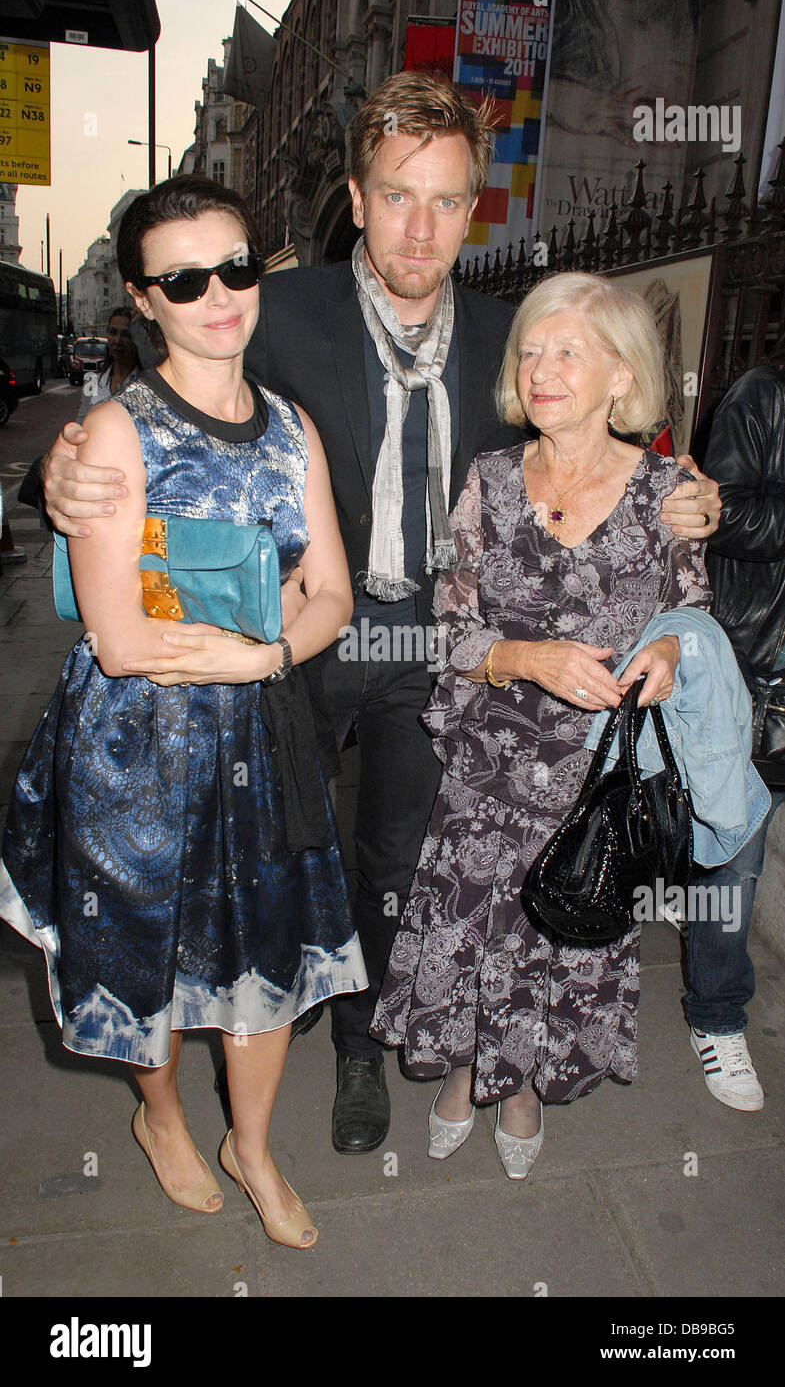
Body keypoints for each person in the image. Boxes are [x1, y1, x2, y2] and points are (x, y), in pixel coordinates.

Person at [36, 72, 723, 1156]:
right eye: (398, 195)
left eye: (446, 201)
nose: (420, 225)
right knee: (270, 840)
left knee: (395, 857)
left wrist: (686, 489)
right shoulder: (280, 310)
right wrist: (58, 468)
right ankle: (255, 1013)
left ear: (472, 210)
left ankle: (359, 1045)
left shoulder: (509, 331)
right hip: (304, 626)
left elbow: (599, 430)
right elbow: (165, 397)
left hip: (443, 645)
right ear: (356, 197)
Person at [0, 176, 367, 1249]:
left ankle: (251, 1146)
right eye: (185, 277)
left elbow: (334, 593)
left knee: (264, 954)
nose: (219, 294)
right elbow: (118, 640)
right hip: (134, 747)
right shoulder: (115, 433)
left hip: (261, 733)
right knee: (139, 957)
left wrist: (262, 659)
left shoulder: (292, 428)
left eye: (237, 267)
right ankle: (160, 1116)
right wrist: (253, 651)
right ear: (142, 299)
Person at [371, 270, 713, 1178]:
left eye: (569, 351)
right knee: (472, 922)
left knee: (551, 931)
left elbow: (689, 612)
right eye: (530, 350)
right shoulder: (486, 481)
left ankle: (515, 1084)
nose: (541, 369)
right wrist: (527, 658)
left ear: (621, 378)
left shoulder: (667, 492)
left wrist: (668, 658)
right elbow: (447, 625)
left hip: (593, 774)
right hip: (487, 760)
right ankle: (464, 1069)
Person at [681, 361, 785, 1112]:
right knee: (730, 855)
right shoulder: (763, 395)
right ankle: (715, 1017)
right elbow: (721, 516)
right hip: (760, 669)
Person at [74, 305, 142, 423]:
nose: (117, 340)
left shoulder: (147, 384)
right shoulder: (92, 381)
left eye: (126, 335)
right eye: (113, 332)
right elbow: (81, 423)